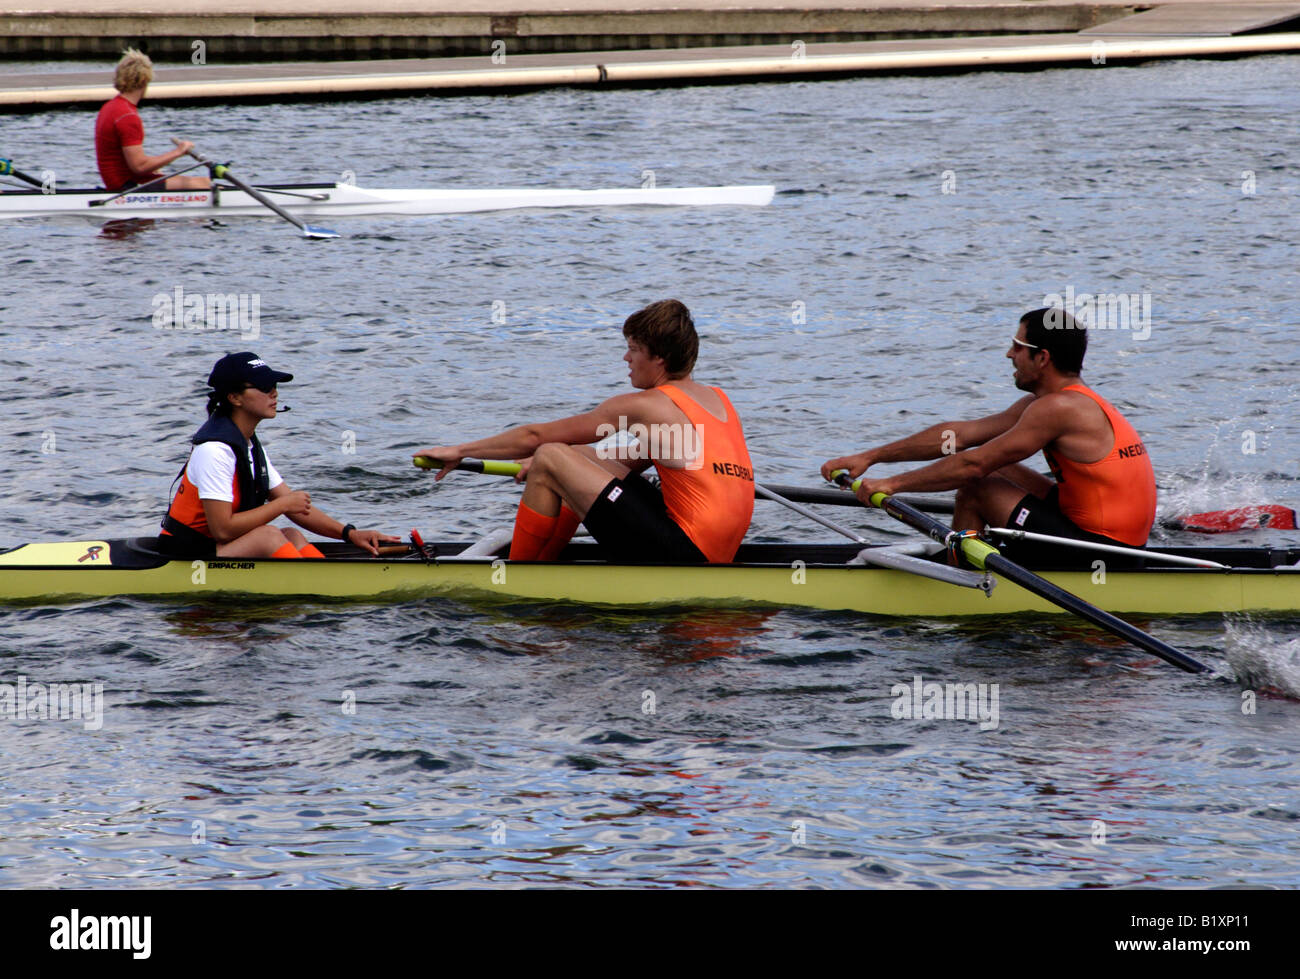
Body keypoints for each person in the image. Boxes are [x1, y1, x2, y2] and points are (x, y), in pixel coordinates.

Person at [414, 299, 754, 564]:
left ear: (659, 359)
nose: (626, 357)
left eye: (633, 349)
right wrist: (569, 466)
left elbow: (537, 437)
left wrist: (461, 451)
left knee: (550, 454)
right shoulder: (717, 400)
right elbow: (618, 460)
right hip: (717, 551)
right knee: (572, 458)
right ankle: (544, 559)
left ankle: (517, 576)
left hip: (685, 555)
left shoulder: (649, 405)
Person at [821, 307, 1157, 559]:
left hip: (1108, 553)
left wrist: (891, 485)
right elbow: (962, 437)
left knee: (976, 485)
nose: (1009, 354)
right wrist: (870, 457)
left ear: (1042, 358)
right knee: (992, 464)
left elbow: (972, 466)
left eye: (1017, 346)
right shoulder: (1058, 402)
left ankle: (957, 578)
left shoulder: (1059, 409)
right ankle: (976, 549)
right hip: (1094, 528)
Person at [158, 352, 397, 559]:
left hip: (215, 548)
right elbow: (223, 529)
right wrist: (282, 505)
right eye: (263, 387)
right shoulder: (214, 451)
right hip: (187, 555)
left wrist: (350, 534)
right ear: (234, 397)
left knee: (291, 534)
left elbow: (297, 508)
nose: (274, 393)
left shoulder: (249, 445)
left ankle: (329, 583)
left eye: (274, 386)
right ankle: (320, 590)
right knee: (269, 535)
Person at [94, 48, 211, 193]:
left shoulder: (109, 107)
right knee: (203, 184)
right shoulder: (128, 116)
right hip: (128, 187)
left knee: (185, 181)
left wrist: (155, 167)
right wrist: (179, 151)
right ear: (144, 81)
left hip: (118, 182)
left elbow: (129, 161)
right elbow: (139, 167)